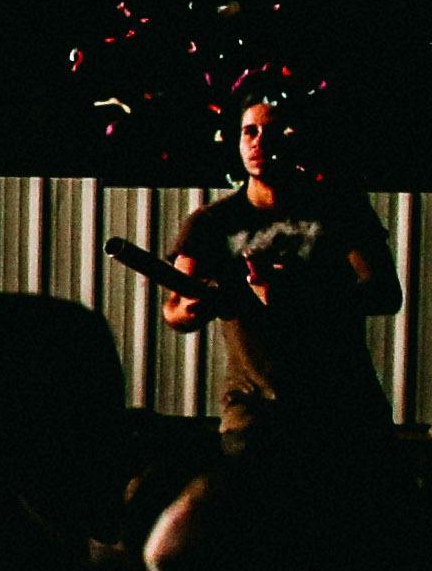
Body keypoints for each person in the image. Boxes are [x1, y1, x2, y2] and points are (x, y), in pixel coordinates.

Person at [150, 94, 399, 431]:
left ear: (296, 138)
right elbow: (176, 310)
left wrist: (304, 294)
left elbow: (385, 293)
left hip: (344, 404)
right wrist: (192, 308)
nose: (259, 142)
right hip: (255, 409)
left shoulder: (339, 210)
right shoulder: (211, 222)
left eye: (273, 131)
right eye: (249, 132)